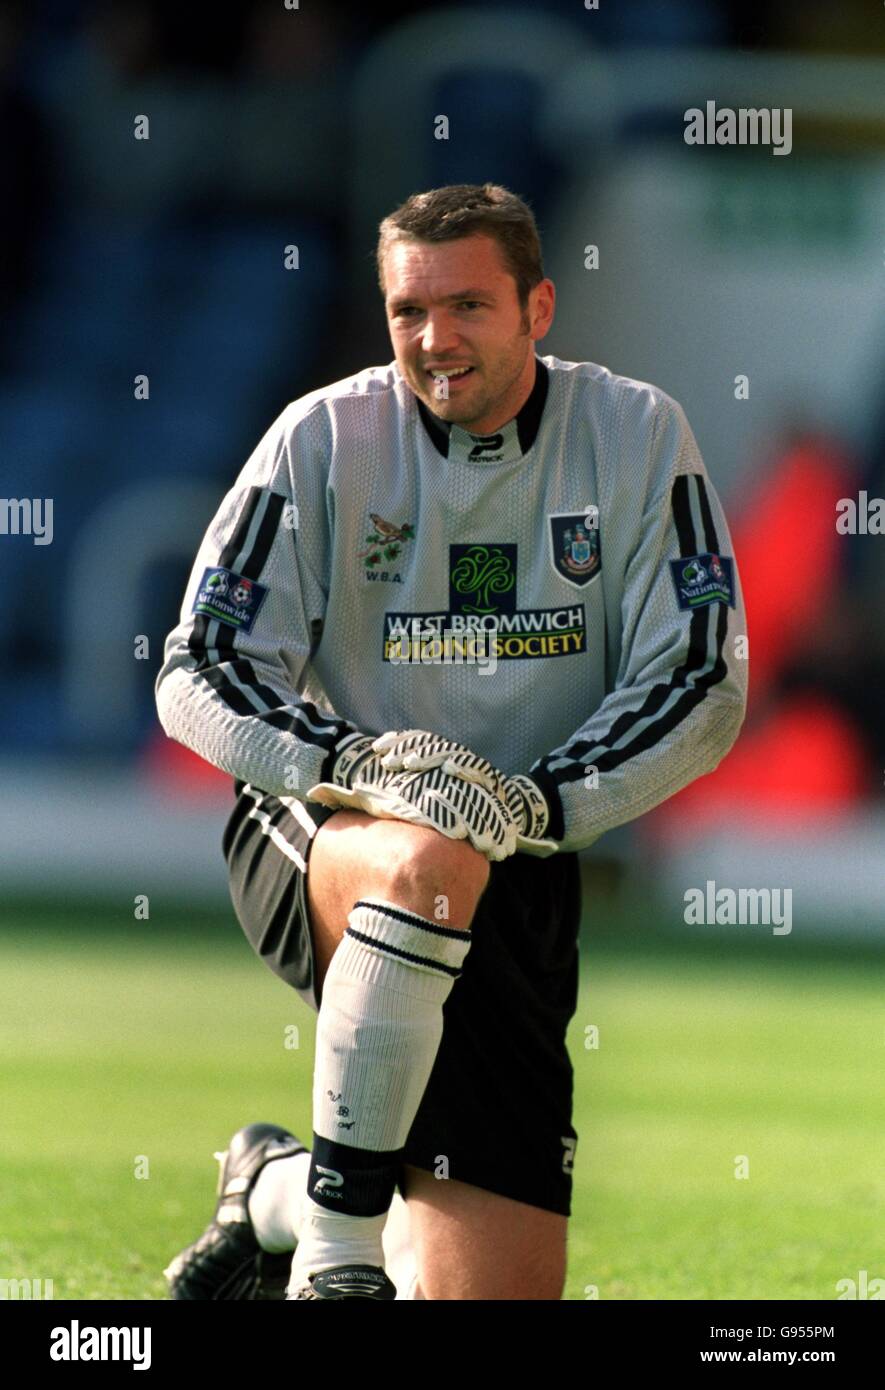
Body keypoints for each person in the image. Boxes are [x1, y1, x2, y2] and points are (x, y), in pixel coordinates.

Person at [154, 182, 748, 1301]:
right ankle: (333, 1265)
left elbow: (701, 676)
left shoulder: (636, 433)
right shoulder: (325, 437)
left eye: (468, 305)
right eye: (407, 310)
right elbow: (199, 668)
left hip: (524, 857)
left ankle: (276, 1189)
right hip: (330, 828)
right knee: (431, 857)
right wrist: (354, 766)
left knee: (492, 1291)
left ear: (539, 308)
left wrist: (535, 803)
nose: (434, 340)